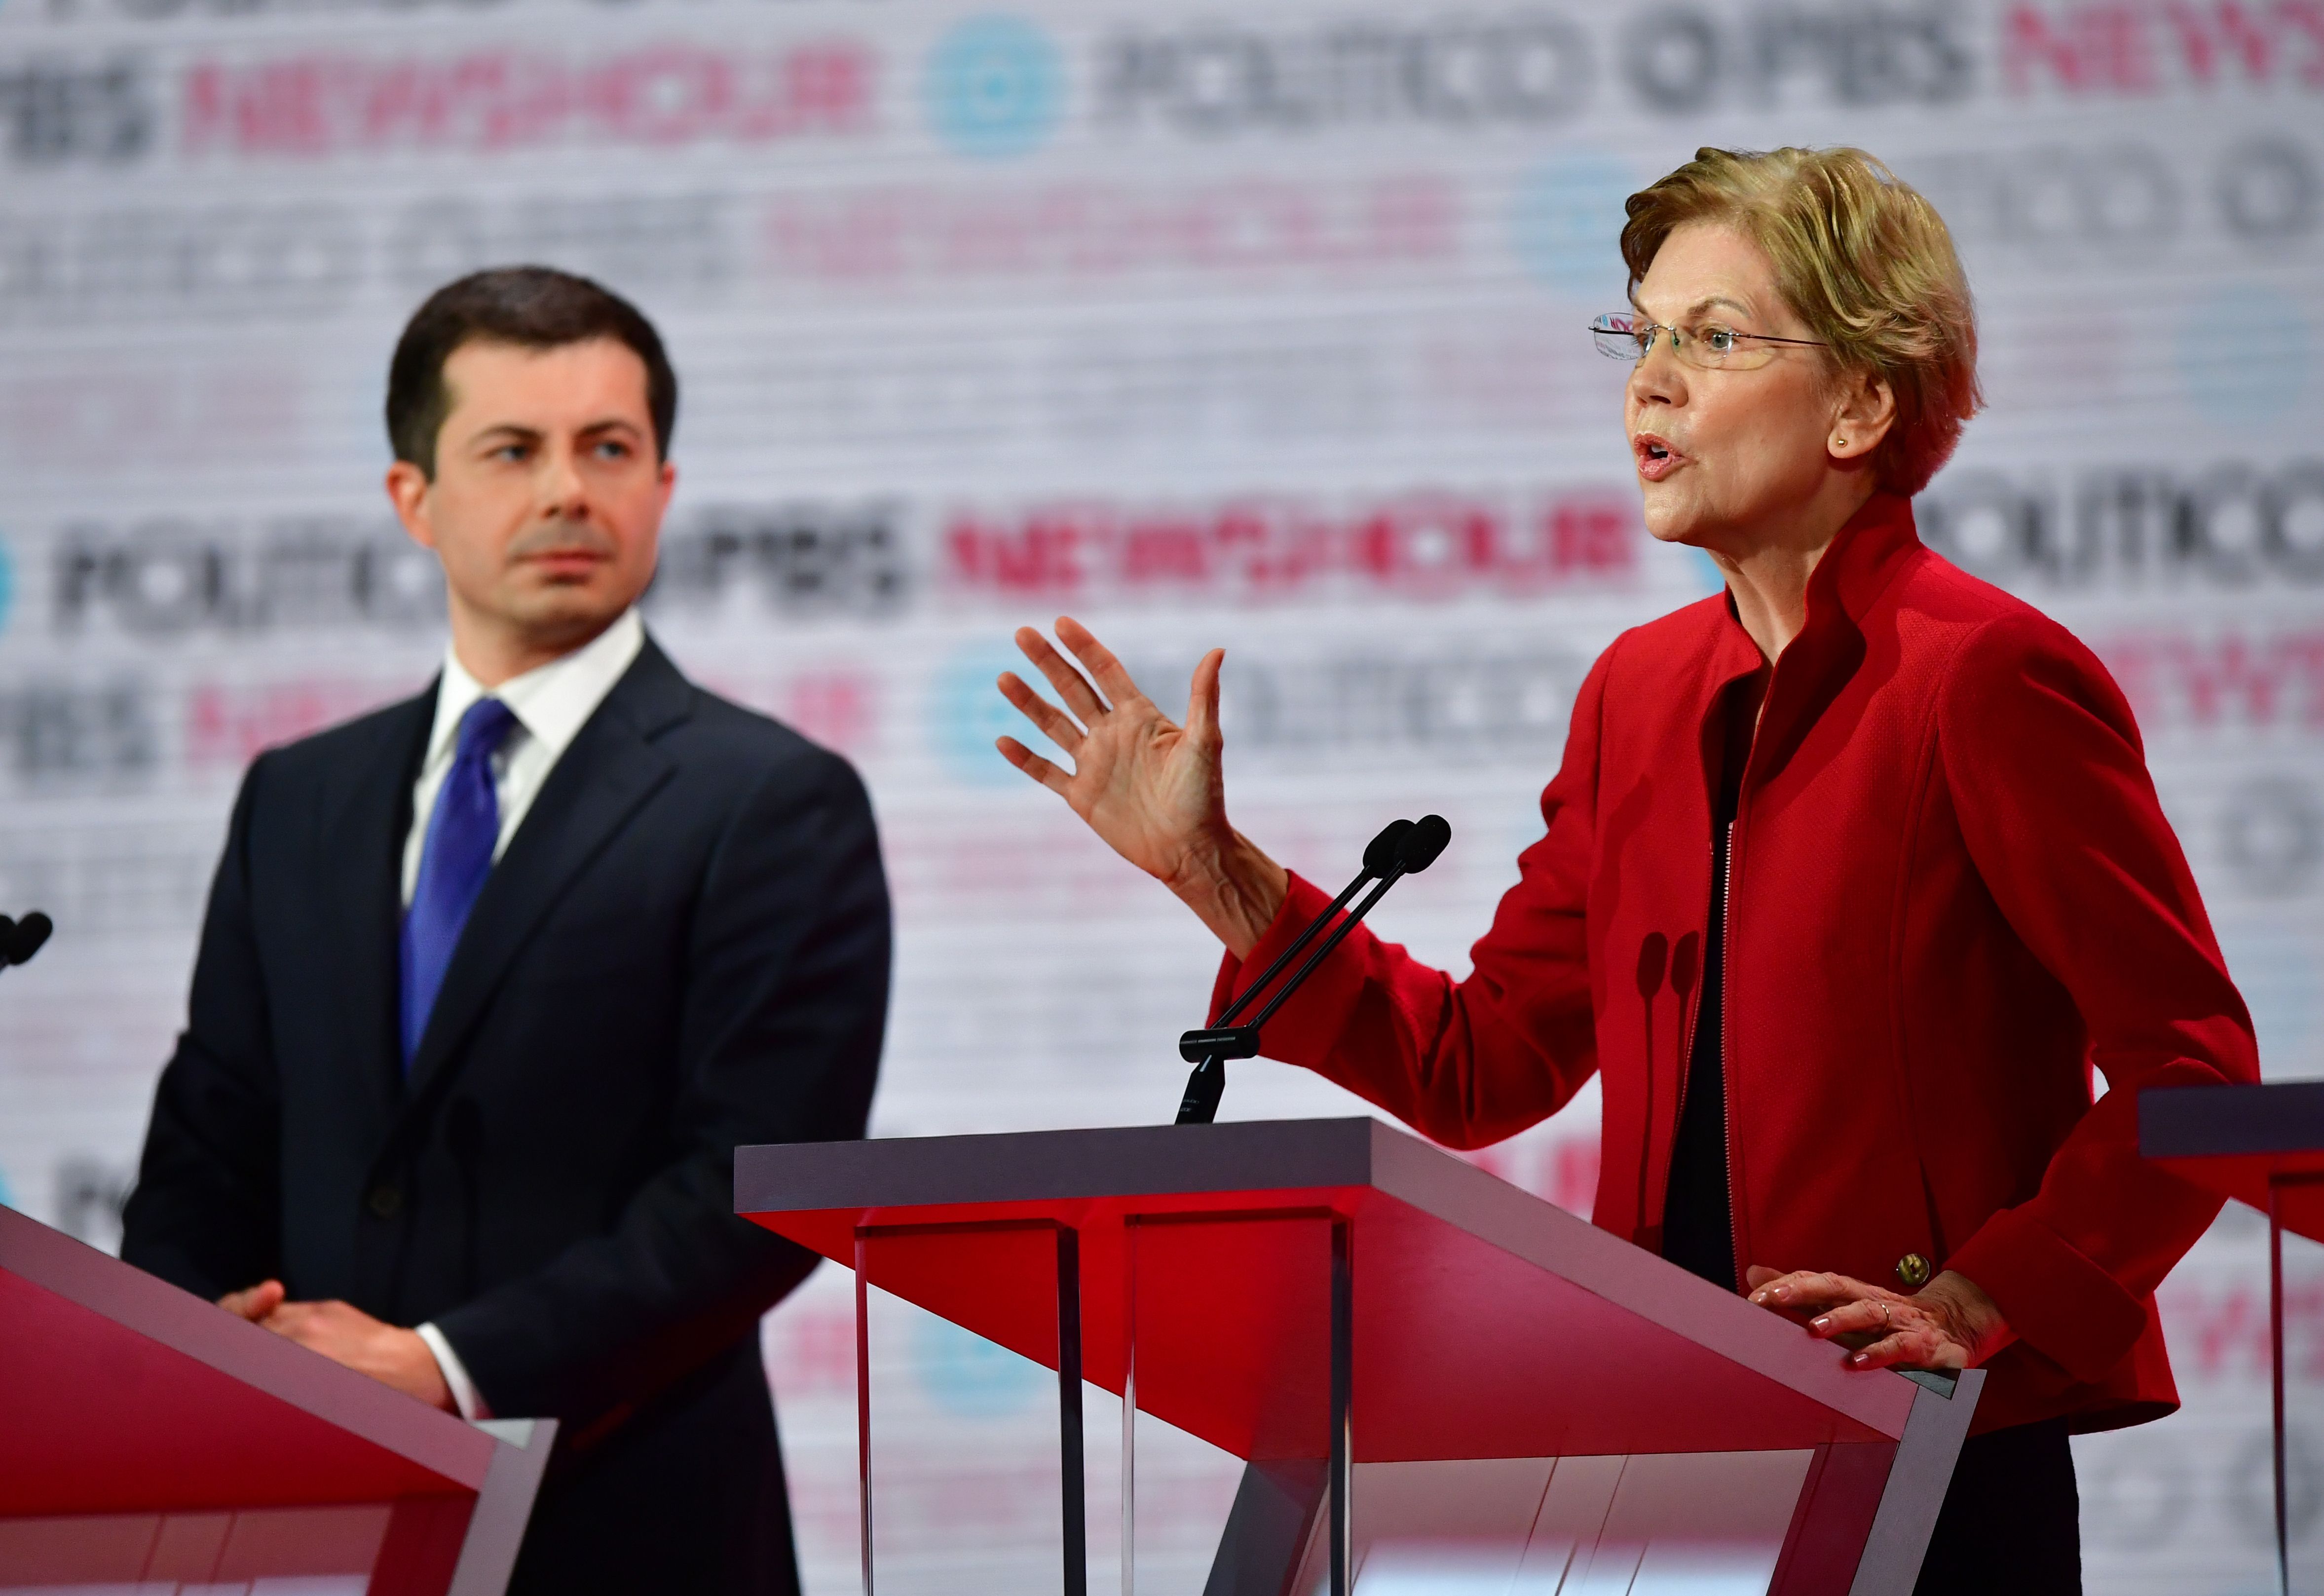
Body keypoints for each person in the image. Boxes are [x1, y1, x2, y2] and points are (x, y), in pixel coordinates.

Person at [992, 147, 2256, 1592]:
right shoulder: (1637, 698)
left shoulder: (1985, 677)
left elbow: (2195, 1071)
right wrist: (1219, 875)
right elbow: (1486, 1064)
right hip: (1680, 1464)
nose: (1648, 382)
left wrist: (1984, 1296)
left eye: (1713, 338)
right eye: (1641, 334)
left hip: (1929, 1457)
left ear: (1861, 400)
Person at [121, 266, 890, 1596]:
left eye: (609, 448)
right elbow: (212, 1138)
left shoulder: (769, 800)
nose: (566, 492)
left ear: (663, 486)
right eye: (512, 450)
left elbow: (751, 1197)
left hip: (630, 1524)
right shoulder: (298, 797)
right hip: (308, 1527)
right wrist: (206, 1351)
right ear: (412, 498)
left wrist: (445, 1365)